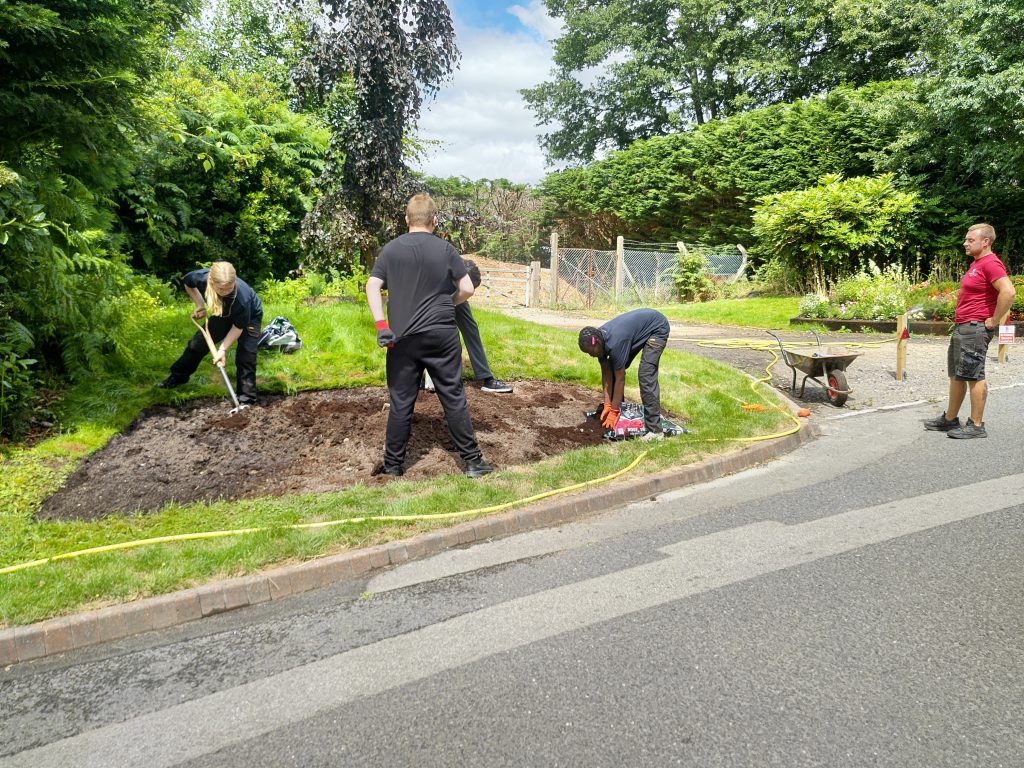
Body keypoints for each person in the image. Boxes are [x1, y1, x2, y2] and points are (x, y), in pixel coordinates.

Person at [366, 193, 494, 478]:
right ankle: (473, 463)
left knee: (401, 401)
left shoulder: (391, 250)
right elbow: (468, 289)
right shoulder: (446, 249)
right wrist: (449, 302)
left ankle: (393, 465)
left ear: (406, 219)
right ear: (434, 221)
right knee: (453, 396)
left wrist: (381, 326)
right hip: (441, 335)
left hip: (401, 338)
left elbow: (372, 286)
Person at [924, 223, 1016, 439]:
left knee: (974, 375)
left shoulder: (991, 263)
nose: (965, 243)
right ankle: (950, 419)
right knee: (957, 375)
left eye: (970, 240)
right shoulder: (977, 263)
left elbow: (1008, 291)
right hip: (963, 327)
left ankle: (976, 425)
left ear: (986, 242)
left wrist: (993, 320)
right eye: (965, 240)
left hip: (975, 328)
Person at [157, 261, 263, 405]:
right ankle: (177, 378)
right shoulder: (200, 278)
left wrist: (222, 350)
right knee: (196, 345)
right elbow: (188, 284)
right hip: (223, 313)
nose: (226, 292)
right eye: (221, 289)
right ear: (212, 282)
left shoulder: (242, 297)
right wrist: (200, 305)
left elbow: (238, 328)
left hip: (250, 317)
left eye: (229, 288)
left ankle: (246, 399)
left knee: (246, 355)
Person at [578, 308, 671, 441]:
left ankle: (655, 430)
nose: (591, 355)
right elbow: (606, 374)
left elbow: (620, 378)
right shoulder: (598, 341)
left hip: (657, 328)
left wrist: (614, 411)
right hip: (635, 331)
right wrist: (607, 404)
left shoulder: (615, 343)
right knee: (612, 367)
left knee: (646, 375)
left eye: (590, 351)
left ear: (597, 343)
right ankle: (618, 409)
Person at [422, 260, 513, 394]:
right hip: (431, 295)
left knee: (471, 330)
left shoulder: (459, 273)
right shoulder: (435, 272)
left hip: (453, 294)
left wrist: (454, 301)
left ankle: (487, 378)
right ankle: (420, 377)